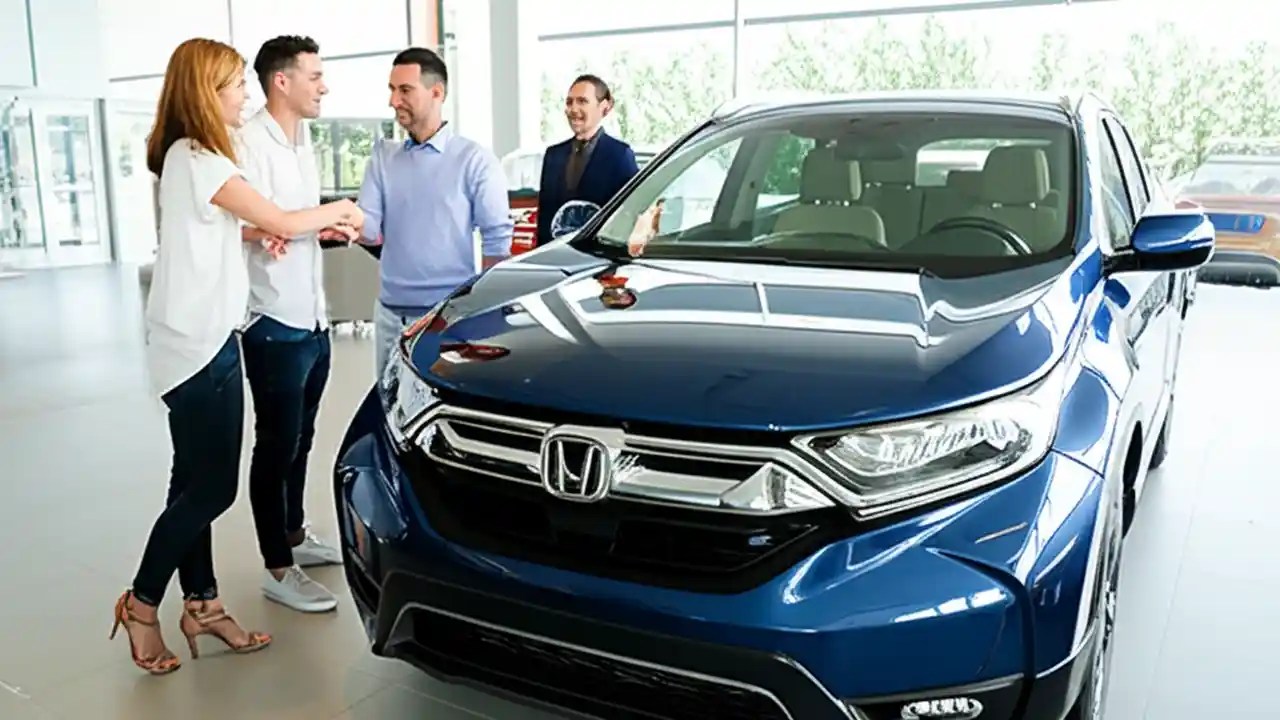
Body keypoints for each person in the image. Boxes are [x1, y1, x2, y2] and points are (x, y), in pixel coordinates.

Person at [110, 37, 362, 675]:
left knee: (189, 482)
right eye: (234, 86)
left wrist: (257, 232)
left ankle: (202, 605)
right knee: (212, 489)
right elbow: (281, 214)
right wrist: (340, 209)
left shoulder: (189, 157)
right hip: (201, 346)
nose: (244, 93)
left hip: (194, 339)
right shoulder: (200, 156)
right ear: (206, 92)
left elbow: (236, 224)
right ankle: (142, 604)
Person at [234, 35, 344, 615]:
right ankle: (278, 566)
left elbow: (289, 220)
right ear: (282, 81)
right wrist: (269, 228)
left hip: (313, 315)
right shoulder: (247, 142)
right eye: (315, 76)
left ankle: (296, 533)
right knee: (274, 445)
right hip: (273, 318)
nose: (323, 85)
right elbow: (232, 220)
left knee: (301, 438)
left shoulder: (304, 141)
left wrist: (313, 227)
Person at [354, 47, 513, 378]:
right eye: (392, 89)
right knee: (385, 411)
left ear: (437, 92)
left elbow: (497, 239)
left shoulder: (475, 160)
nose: (393, 100)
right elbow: (368, 227)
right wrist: (336, 222)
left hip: (445, 319)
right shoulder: (383, 157)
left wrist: (483, 315)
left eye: (405, 90)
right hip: (388, 316)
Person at [535, 74, 639, 246]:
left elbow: (628, 217)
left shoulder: (619, 155)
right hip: (555, 257)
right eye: (569, 102)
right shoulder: (553, 155)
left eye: (582, 101)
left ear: (604, 107)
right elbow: (544, 219)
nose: (573, 109)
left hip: (597, 259)